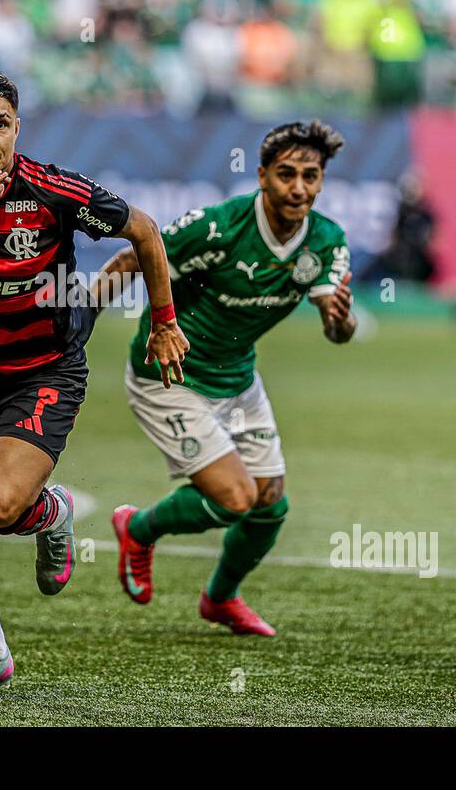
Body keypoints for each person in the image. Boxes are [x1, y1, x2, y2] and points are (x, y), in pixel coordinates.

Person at [0, 67, 188, 694]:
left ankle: (50, 513)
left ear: (17, 129)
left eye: (0, 124)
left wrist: (164, 323)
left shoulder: (51, 190)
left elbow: (145, 231)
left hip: (44, 368)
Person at [89, 120, 355, 635]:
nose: (298, 188)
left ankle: (220, 599)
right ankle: (138, 529)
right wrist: (77, 324)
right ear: (261, 176)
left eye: (310, 176)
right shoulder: (216, 227)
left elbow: (339, 331)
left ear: (322, 181)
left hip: (238, 380)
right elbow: (133, 257)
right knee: (236, 499)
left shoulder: (326, 241)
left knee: (269, 505)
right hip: (169, 377)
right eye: (286, 175)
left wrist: (339, 319)